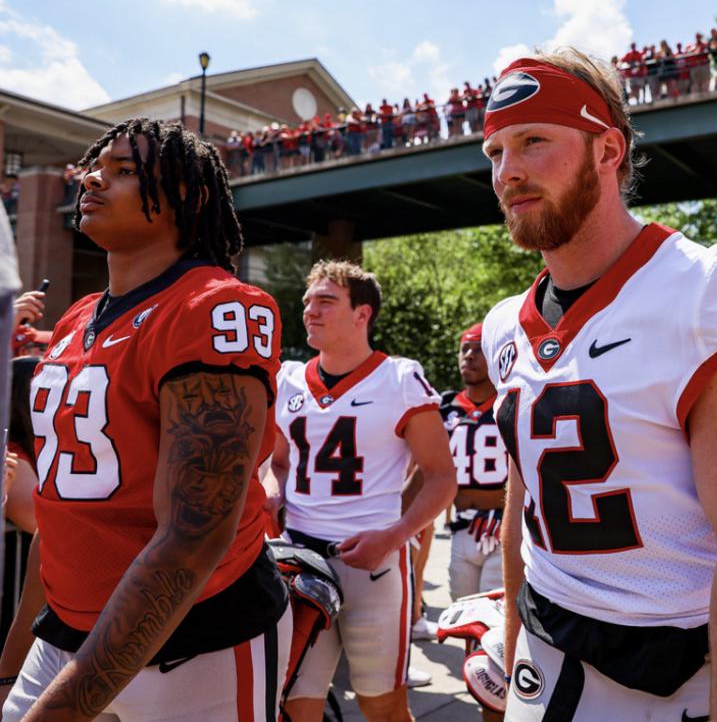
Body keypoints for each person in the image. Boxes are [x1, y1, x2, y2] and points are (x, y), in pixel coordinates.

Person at [480, 48, 717, 721]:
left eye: (533, 141)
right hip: (543, 651)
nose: (508, 170)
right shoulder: (503, 327)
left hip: (676, 670)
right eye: (495, 152)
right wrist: (512, 651)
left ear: (607, 150)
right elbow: (523, 502)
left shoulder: (704, 289)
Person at [1, 118, 292, 721]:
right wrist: (12, 660)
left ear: (191, 196)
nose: (93, 178)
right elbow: (61, 513)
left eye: (125, 170)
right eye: (94, 167)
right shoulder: (78, 318)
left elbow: (193, 536)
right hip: (65, 631)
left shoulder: (217, 305)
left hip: (196, 642)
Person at [265, 260, 456, 722]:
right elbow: (280, 464)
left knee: (382, 705)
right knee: (296, 703)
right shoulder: (287, 378)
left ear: (362, 314)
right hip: (301, 561)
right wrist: (272, 493)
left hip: (374, 565)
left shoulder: (399, 378)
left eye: (326, 301)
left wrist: (394, 535)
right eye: (308, 301)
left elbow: (440, 476)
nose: (310, 310)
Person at [441, 323, 507, 604]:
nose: (469, 355)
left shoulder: (509, 404)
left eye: (478, 350)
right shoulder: (445, 407)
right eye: (464, 349)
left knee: (494, 620)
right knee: (463, 610)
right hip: (462, 526)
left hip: (500, 528)